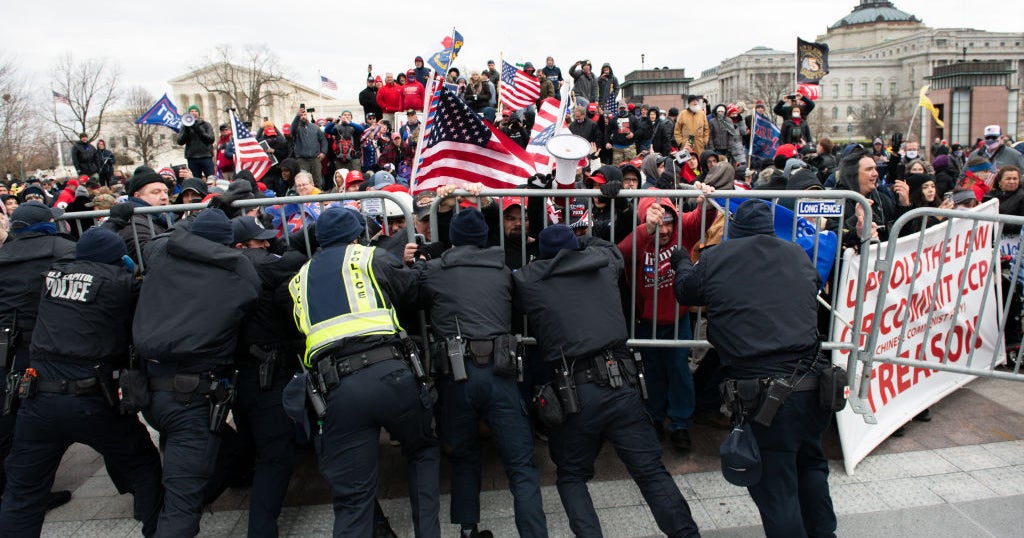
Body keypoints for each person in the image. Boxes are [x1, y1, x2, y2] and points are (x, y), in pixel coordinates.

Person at [512, 224, 701, 538]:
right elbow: (607, 246)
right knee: (651, 473)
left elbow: (518, 279)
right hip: (621, 383)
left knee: (572, 475)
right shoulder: (604, 263)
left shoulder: (530, 280)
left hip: (575, 392)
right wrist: (579, 239)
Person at [673, 199, 837, 538]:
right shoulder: (795, 254)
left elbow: (685, 291)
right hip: (812, 386)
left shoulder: (717, 258)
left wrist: (681, 262)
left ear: (734, 231)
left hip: (767, 398)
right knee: (811, 467)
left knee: (777, 490)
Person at [0, 228, 163, 537]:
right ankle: (158, 529)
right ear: (119, 259)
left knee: (23, 492)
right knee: (142, 464)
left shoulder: (50, 278)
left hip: (39, 402)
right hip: (91, 399)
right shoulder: (120, 284)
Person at [287, 207, 440, 537]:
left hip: (337, 390)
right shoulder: (368, 257)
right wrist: (420, 266)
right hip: (390, 373)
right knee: (423, 450)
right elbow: (416, 293)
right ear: (357, 235)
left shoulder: (298, 280)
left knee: (353, 499)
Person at [413, 208, 547, 538]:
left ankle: (468, 530)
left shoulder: (433, 271)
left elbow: (410, 296)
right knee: (520, 464)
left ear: (454, 240)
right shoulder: (502, 271)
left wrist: (418, 258)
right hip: (501, 373)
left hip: (456, 376)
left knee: (464, 457)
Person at [133, 208, 260, 537]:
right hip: (191, 399)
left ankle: (159, 522)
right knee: (182, 504)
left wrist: (209, 211)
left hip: (152, 391)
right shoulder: (238, 271)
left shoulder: (161, 254)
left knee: (229, 453)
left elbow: (165, 238)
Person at [229, 215, 307, 538]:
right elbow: (294, 262)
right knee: (274, 456)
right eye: (259, 242)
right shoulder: (260, 264)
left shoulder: (216, 268)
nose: (266, 244)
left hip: (235, 373)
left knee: (249, 440)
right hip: (266, 375)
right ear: (241, 247)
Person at [0, 202, 76, 514]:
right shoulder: (64, 249)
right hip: (46, 346)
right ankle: (28, 493)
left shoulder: (3, 255)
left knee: (9, 420)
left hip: (7, 347)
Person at [102, 166, 172, 264]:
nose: (164, 197)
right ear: (137, 196)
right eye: (156, 192)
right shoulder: (132, 222)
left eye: (166, 192)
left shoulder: (162, 218)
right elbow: (144, 254)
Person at [290, 106, 328, 189]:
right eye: (301, 115)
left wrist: (323, 152)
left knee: (318, 181)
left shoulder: (314, 127)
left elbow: (323, 140)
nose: (303, 116)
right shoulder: (297, 128)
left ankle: (318, 199)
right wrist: (297, 116)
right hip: (302, 159)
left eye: (304, 114)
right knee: (303, 181)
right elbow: (292, 130)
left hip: (315, 159)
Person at [176, 105, 216, 178]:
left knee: (211, 178)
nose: (194, 113)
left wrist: (198, 129)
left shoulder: (206, 125)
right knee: (195, 179)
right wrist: (187, 130)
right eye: (191, 111)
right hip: (192, 158)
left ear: (199, 113)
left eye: (196, 111)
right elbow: (180, 141)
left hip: (206, 156)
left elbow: (210, 139)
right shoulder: (184, 126)